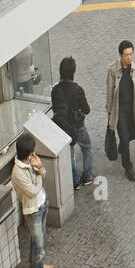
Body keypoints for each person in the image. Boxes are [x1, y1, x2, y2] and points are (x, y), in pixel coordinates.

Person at [11, 133, 55, 268]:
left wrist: (38, 167)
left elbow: (43, 172)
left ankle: (34, 265)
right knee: (39, 246)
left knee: (37, 239)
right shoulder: (18, 173)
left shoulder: (31, 161)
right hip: (33, 210)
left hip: (42, 204)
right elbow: (31, 191)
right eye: (32, 153)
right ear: (26, 153)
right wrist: (38, 177)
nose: (34, 155)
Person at [51, 55, 96, 189]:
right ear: (73, 72)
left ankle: (75, 181)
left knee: (69, 153)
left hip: (63, 127)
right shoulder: (77, 90)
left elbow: (55, 108)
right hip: (78, 126)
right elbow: (87, 110)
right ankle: (87, 175)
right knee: (86, 148)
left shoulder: (56, 89)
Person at [106, 39, 135, 181]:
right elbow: (110, 92)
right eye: (127, 55)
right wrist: (109, 111)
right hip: (120, 109)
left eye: (131, 54)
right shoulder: (113, 70)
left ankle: (123, 145)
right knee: (124, 137)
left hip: (132, 108)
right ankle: (127, 166)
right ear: (121, 55)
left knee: (133, 134)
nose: (130, 57)